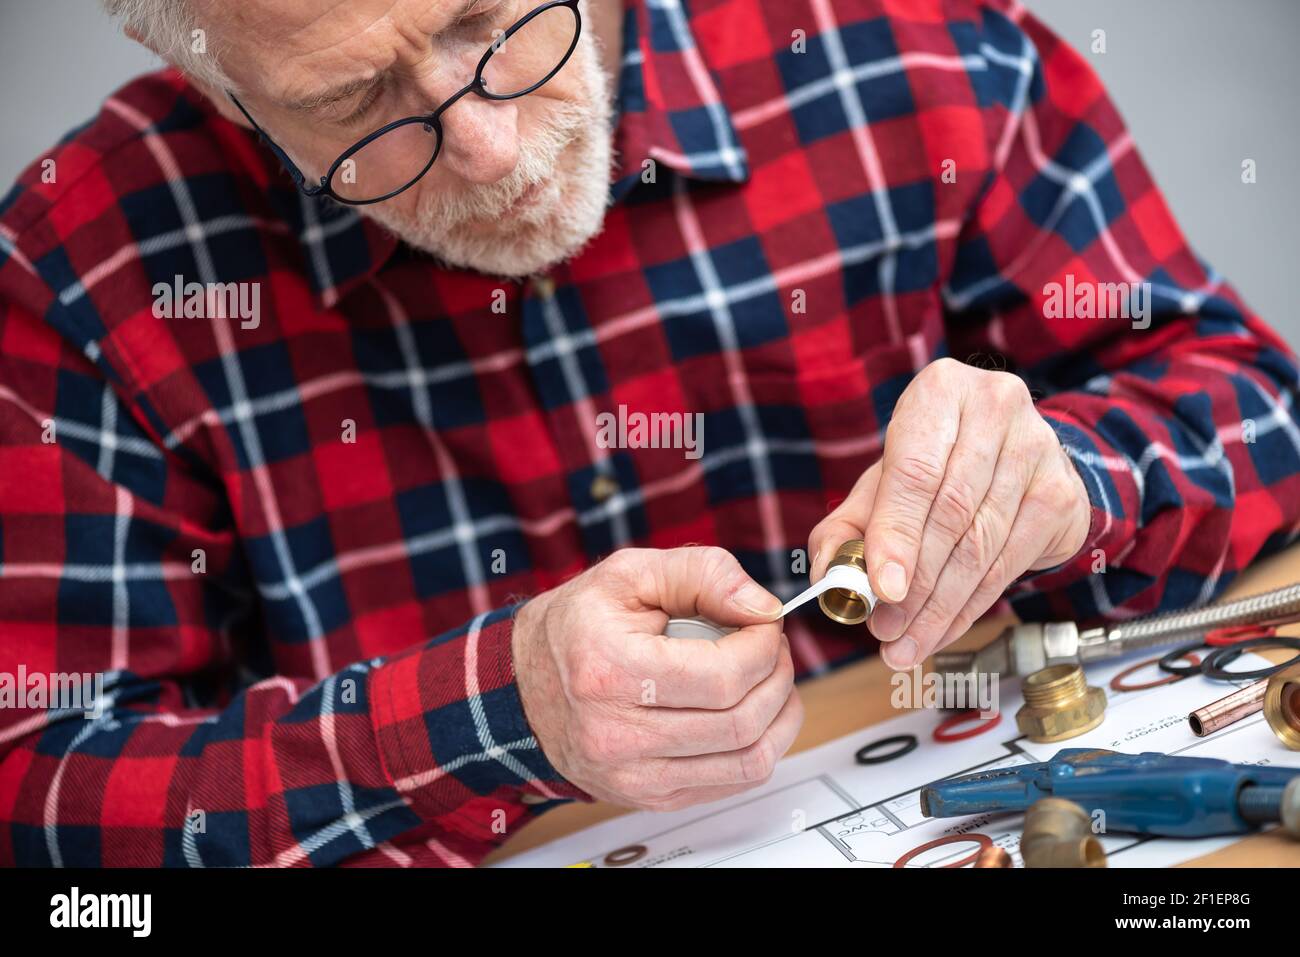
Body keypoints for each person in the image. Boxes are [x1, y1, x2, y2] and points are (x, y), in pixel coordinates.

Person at [0, 0, 1296, 867]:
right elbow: (40, 792)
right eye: (350, 104)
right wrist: (491, 716)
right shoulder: (86, 265)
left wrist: (1073, 480)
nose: (489, 147)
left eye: (487, 23)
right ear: (223, 89)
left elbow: (1249, 401)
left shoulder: (910, 42)